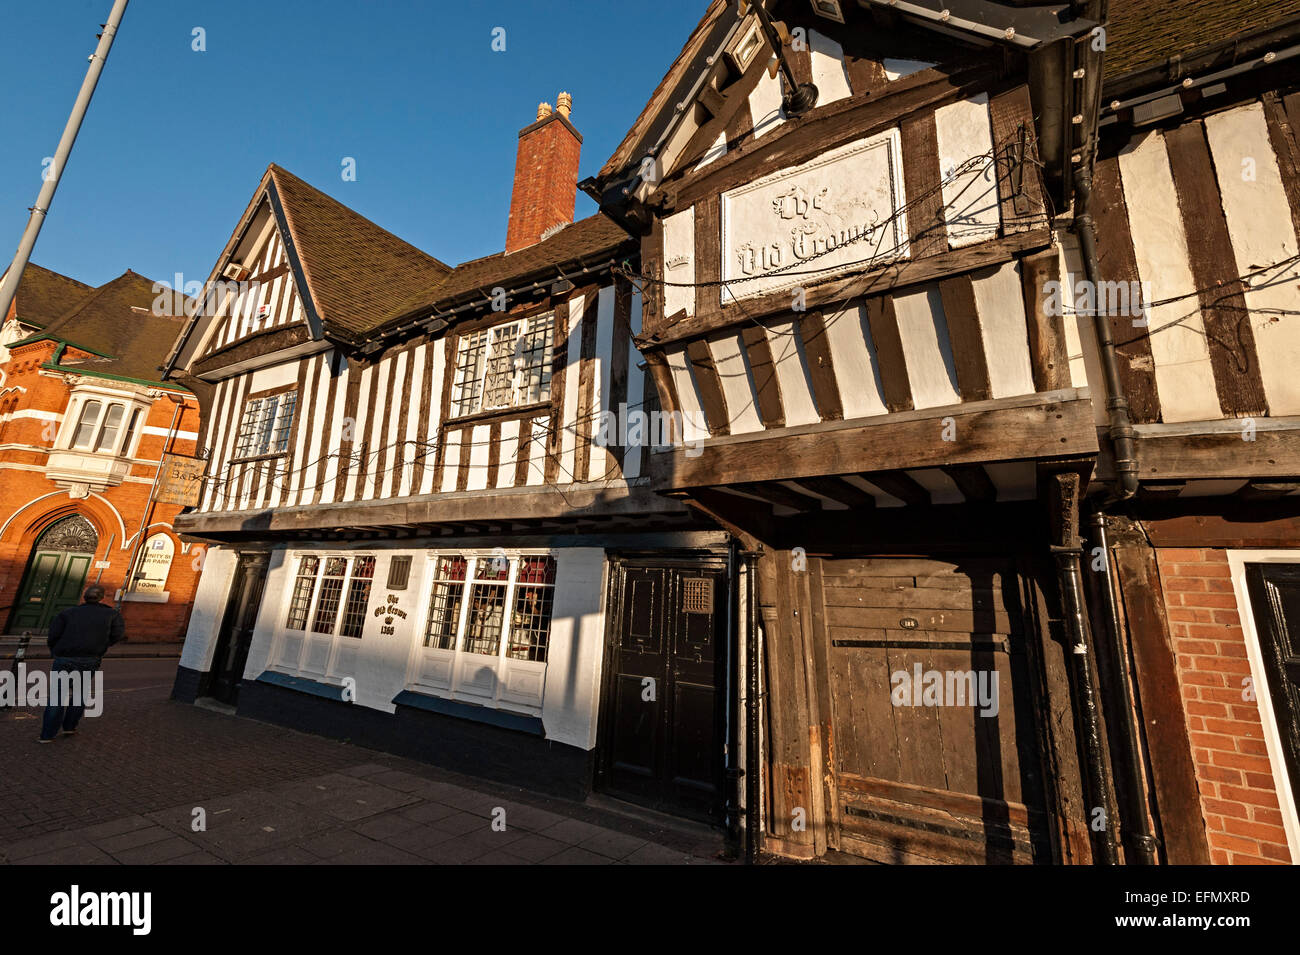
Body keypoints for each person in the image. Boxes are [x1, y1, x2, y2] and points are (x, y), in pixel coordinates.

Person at [39, 585, 124, 742]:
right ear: (102, 597)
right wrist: (101, 646)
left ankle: (47, 735)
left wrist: (56, 651)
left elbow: (53, 635)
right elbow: (117, 635)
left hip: (65, 658)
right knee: (79, 693)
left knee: (57, 696)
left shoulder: (67, 613)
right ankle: (70, 727)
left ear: (84, 597)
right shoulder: (111, 614)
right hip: (90, 659)